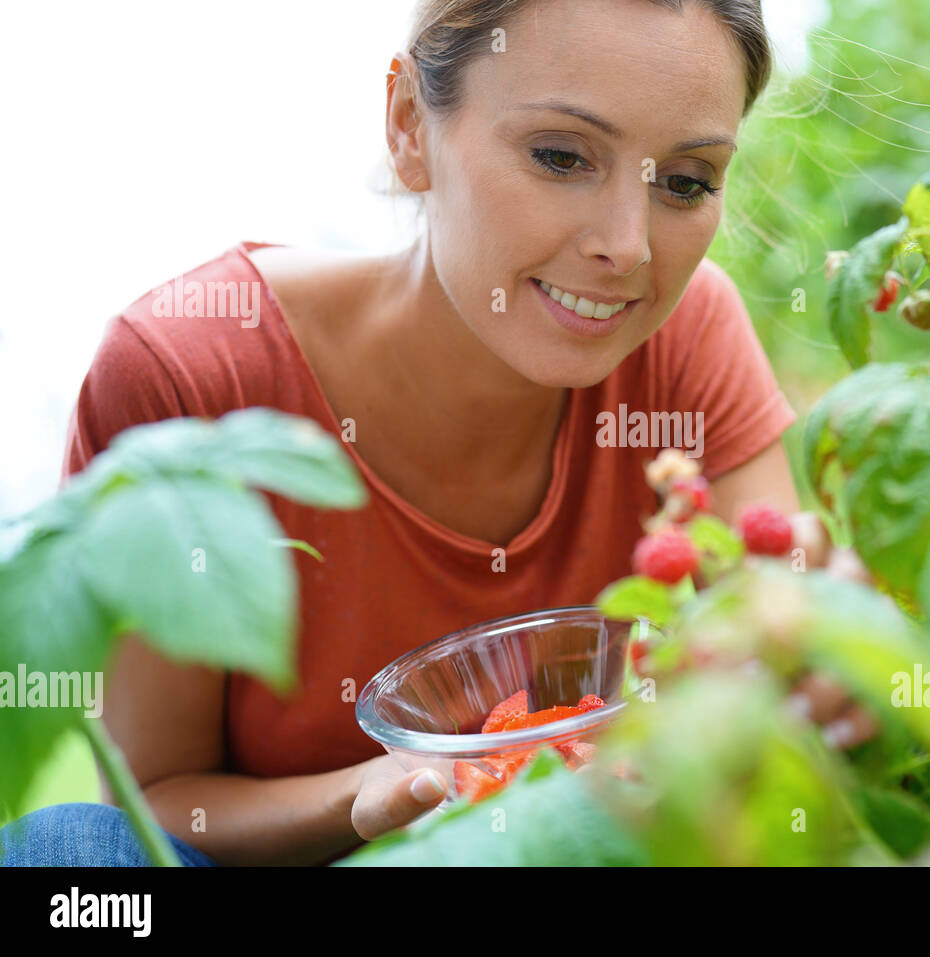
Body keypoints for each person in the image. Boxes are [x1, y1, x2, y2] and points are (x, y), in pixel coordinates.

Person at [0, 0, 866, 867]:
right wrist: (381, 793)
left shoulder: (688, 339)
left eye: (685, 180)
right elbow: (156, 807)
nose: (627, 247)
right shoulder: (191, 374)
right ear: (410, 124)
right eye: (561, 156)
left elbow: (769, 646)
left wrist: (828, 649)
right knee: (65, 848)